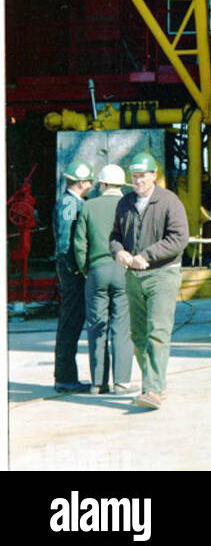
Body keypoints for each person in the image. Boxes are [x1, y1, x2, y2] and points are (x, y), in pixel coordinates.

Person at [109, 151, 189, 410]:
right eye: (134, 177)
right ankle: (156, 382)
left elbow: (179, 238)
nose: (138, 181)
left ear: (154, 175)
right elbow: (115, 235)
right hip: (134, 276)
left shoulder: (169, 202)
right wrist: (118, 251)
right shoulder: (125, 203)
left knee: (157, 332)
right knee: (138, 335)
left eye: (142, 176)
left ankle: (152, 389)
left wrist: (147, 256)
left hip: (162, 275)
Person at [73, 163, 133, 394]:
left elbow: (80, 244)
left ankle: (98, 383)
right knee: (122, 327)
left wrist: (86, 269)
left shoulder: (89, 206)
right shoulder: (129, 206)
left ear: (103, 184)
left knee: (97, 326)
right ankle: (121, 382)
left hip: (97, 271)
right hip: (123, 271)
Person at [52, 161, 94, 393]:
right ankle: (66, 378)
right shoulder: (70, 203)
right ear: (81, 183)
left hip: (70, 270)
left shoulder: (73, 202)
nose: (90, 185)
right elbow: (65, 239)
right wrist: (75, 268)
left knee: (71, 322)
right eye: (89, 181)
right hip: (72, 272)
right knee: (70, 323)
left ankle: (65, 376)